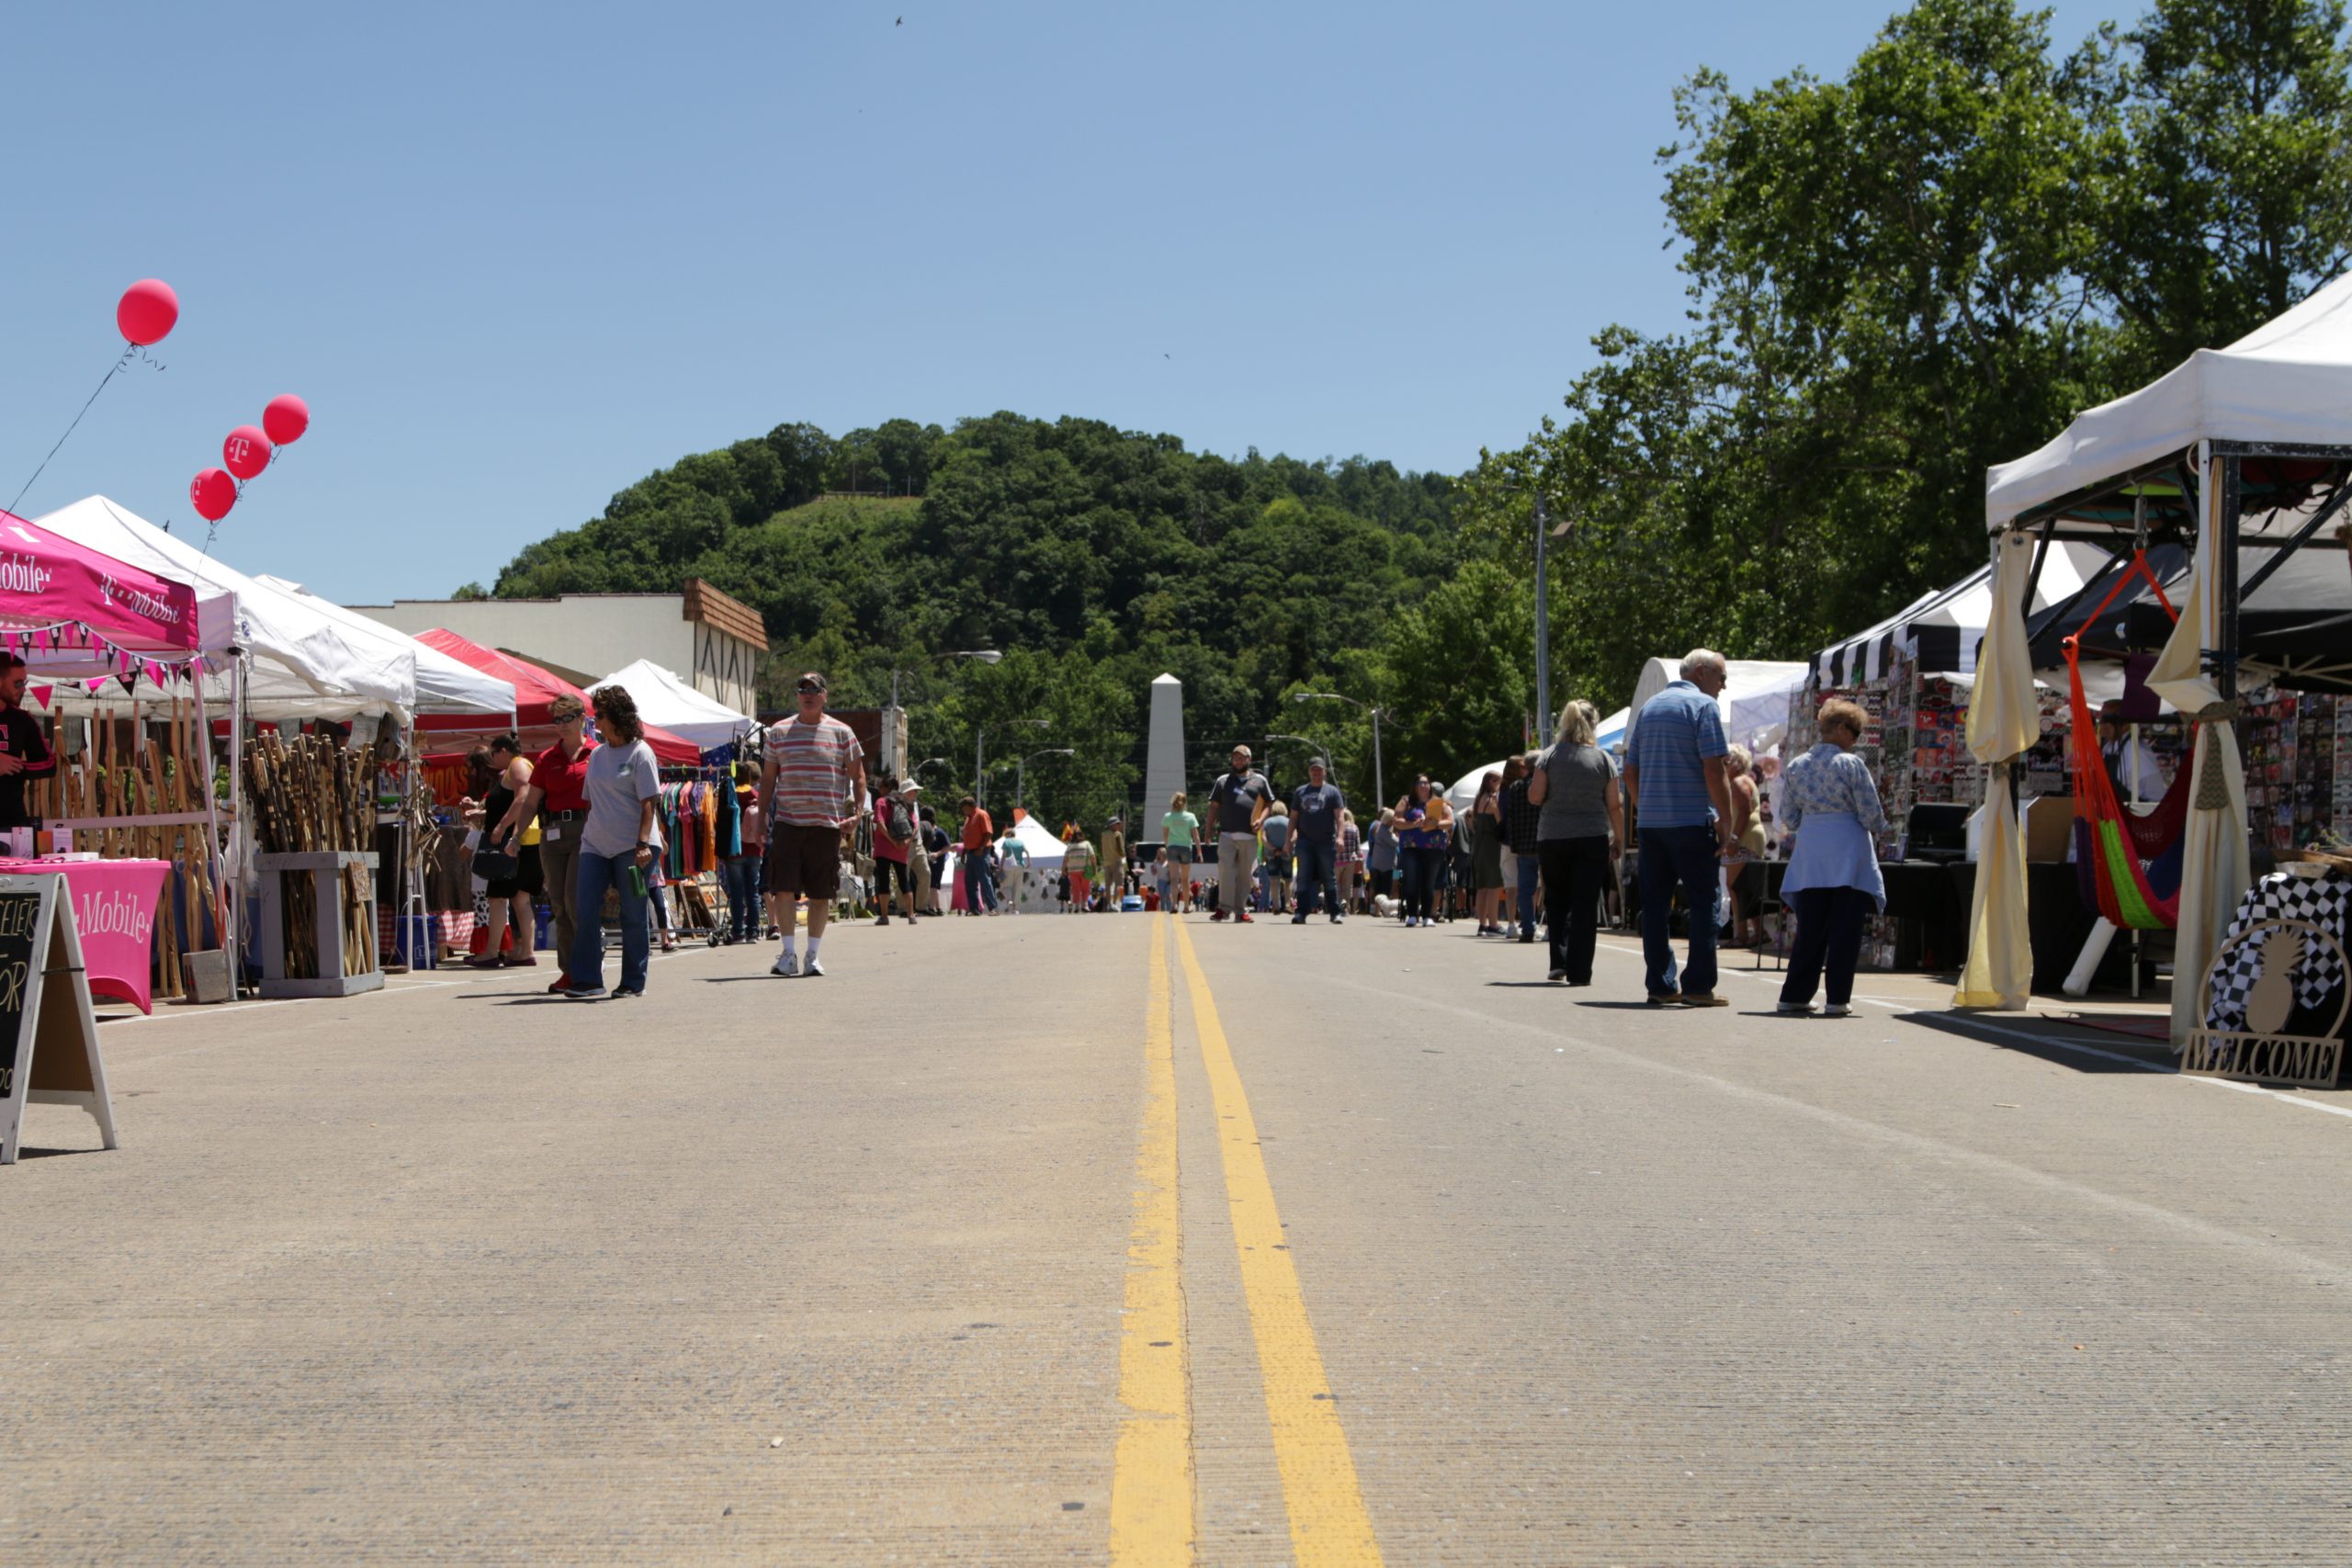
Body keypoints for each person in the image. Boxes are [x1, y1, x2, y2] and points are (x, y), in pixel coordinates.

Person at [1623, 648, 1734, 1008]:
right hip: (1691, 821)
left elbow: (1629, 771)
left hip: (1652, 825)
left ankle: (1661, 984)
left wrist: (1646, 807)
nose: (1723, 686)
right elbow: (1714, 769)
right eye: (1721, 677)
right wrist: (1727, 819)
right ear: (1701, 673)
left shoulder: (1649, 708)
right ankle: (1698, 986)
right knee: (1704, 902)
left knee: (1655, 905)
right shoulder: (1703, 707)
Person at [1776, 698, 1888, 1018]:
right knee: (1844, 929)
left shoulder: (1797, 765)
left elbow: (1790, 818)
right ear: (1840, 729)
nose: (1855, 738)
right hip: (1847, 852)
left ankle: (1795, 994)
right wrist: (1885, 829)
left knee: (1810, 928)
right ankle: (1837, 998)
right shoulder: (1851, 765)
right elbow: (1870, 814)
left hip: (1811, 854)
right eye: (1854, 731)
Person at [759, 671, 866, 976]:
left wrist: (857, 813)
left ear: (824, 695)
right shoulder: (779, 732)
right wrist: (759, 819)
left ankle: (813, 956)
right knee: (783, 888)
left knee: (821, 892)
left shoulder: (842, 732)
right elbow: (767, 779)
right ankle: (788, 953)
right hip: (788, 822)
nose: (807, 694)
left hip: (826, 824)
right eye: (802, 689)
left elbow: (859, 776)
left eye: (814, 690)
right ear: (797, 696)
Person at [560, 685, 661, 1000]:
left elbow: (649, 803)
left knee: (632, 913)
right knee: (585, 908)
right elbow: (591, 802)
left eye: (599, 715)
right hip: (595, 846)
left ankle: (633, 981)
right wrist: (587, 835)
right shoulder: (598, 755)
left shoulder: (640, 753)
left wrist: (643, 844)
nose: (596, 721)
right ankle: (588, 980)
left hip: (633, 849)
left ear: (616, 717)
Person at [497, 693, 596, 993]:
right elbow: (530, 803)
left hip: (586, 831)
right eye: (557, 720)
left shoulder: (597, 754)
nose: (562, 725)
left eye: (568, 718)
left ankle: (586, 967)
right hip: (552, 833)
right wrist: (515, 836)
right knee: (559, 906)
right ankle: (568, 971)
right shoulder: (546, 758)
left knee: (574, 902)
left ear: (582, 719)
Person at [1529, 700, 1623, 986]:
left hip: (1554, 837)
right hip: (1592, 837)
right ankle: (1580, 971)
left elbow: (1535, 795)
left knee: (1557, 899)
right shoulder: (1603, 759)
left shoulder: (1548, 756)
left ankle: (1558, 962)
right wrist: (1618, 838)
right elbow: (1614, 806)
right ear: (1593, 724)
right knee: (1584, 903)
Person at [468, 733, 543, 968]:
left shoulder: (518, 765)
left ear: (503, 751)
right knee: (520, 898)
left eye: (493, 754)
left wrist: (502, 826)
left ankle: (491, 952)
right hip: (523, 840)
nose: (492, 760)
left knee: (498, 897)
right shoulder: (517, 767)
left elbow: (523, 797)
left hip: (515, 842)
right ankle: (525, 953)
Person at [1207, 745, 1272, 923]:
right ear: (1231, 760)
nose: (1239, 761)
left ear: (1249, 760)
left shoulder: (1260, 780)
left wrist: (1261, 820)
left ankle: (1241, 911)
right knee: (1226, 872)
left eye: (1242, 758)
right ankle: (1223, 909)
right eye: (1236, 758)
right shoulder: (1222, 781)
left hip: (1250, 837)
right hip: (1227, 835)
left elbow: (1268, 804)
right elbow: (1214, 806)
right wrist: (1208, 829)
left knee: (1244, 876)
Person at [0, 652, 57, 846]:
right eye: (18, 683)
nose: (23, 689)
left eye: (24, 683)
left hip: (11, 822)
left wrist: (16, 768)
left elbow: (49, 764)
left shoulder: (23, 720)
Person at [1288, 759, 1346, 923]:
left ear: (1325, 771)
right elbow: (1293, 817)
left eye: (1319, 770)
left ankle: (1335, 912)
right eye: (1313, 770)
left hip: (1326, 841)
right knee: (1303, 877)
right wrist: (1288, 840)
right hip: (1305, 841)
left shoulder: (1332, 792)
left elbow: (1340, 816)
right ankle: (1301, 912)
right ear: (1309, 772)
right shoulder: (1300, 792)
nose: (1316, 773)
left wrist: (1340, 837)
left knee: (1328, 877)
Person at [1392, 777, 1453, 927]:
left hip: (1434, 847)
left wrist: (1436, 824)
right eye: (1420, 783)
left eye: (1426, 783)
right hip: (1410, 846)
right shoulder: (1406, 801)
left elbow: (1450, 821)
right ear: (1414, 786)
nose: (1423, 785)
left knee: (1429, 882)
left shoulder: (1438, 802)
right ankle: (1412, 914)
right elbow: (1396, 821)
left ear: (1430, 786)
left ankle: (1427, 915)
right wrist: (1413, 824)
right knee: (1411, 879)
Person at [1723, 743, 1766, 949]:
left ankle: (1742, 934)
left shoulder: (1738, 782)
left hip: (1744, 838)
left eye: (1726, 761)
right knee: (1747, 888)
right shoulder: (1745, 780)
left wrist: (1733, 838)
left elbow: (1744, 810)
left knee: (1736, 887)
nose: (1723, 764)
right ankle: (1757, 932)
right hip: (1750, 837)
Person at [722, 759, 765, 944]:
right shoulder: (757, 793)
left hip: (735, 849)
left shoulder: (731, 795)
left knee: (737, 892)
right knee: (753, 891)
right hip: (755, 848)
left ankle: (738, 932)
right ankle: (753, 932)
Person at [1500, 754, 1542, 942]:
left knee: (1525, 890)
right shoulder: (1545, 785)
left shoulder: (1516, 787)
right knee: (1550, 887)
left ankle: (1527, 928)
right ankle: (1550, 928)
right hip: (1544, 843)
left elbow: (1512, 820)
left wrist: (1515, 845)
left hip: (1524, 845)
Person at [871, 772, 921, 927]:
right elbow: (915, 825)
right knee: (904, 881)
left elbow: (879, 823)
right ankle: (911, 915)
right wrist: (905, 841)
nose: (879, 789)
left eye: (881, 786)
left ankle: (884, 917)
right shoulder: (905, 803)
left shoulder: (881, 802)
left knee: (884, 881)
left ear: (887, 787)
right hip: (902, 849)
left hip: (883, 848)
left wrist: (891, 840)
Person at [2096, 699, 2166, 802]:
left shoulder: (2137, 752)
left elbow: (2157, 796)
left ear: (2122, 723)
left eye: (2106, 720)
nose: (2101, 724)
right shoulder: (2108, 748)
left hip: (2133, 815)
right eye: (2101, 719)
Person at [1469, 771, 1507, 934]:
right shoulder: (1493, 800)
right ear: (1492, 781)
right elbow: (1500, 822)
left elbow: (1472, 821)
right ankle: (1493, 924)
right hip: (1493, 844)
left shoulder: (1479, 800)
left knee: (1482, 886)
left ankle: (1482, 924)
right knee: (1494, 886)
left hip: (1479, 844)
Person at [956, 796, 997, 915]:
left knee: (984, 880)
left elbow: (988, 833)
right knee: (970, 882)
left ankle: (992, 908)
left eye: (963, 808)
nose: (963, 811)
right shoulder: (968, 818)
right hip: (970, 852)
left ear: (969, 806)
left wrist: (981, 848)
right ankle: (974, 909)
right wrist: (964, 852)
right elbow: (966, 837)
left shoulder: (981, 815)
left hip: (980, 852)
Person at [1161, 791, 1200, 912]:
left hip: (1172, 847)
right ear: (1184, 803)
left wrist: (1168, 848)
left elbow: (1165, 836)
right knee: (1185, 879)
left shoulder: (1168, 816)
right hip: (1186, 848)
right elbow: (1196, 836)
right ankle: (1187, 907)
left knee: (1173, 878)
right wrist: (1200, 851)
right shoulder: (1190, 816)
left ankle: (1174, 905)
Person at [1259, 801, 1292, 913]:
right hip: (1286, 854)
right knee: (1288, 880)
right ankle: (1288, 905)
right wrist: (1284, 847)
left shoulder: (1267, 822)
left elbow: (1263, 839)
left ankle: (1276, 907)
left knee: (1274, 880)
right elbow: (1295, 836)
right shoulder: (1289, 822)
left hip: (1271, 855)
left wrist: (1273, 849)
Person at [919, 805, 949, 916]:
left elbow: (948, 846)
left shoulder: (939, 832)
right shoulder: (922, 830)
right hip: (925, 860)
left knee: (934, 884)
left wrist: (937, 854)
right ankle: (938, 907)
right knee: (930, 884)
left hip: (937, 862)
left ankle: (931, 908)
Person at [1366, 808, 1399, 905]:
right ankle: (1380, 907)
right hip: (1385, 864)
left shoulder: (1380, 827)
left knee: (1377, 885)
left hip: (1378, 862)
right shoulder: (1384, 830)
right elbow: (1395, 842)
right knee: (1385, 887)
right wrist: (1398, 837)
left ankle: (1376, 907)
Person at [997, 821, 1030, 912]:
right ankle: (1016, 908)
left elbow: (1004, 856)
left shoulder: (1006, 842)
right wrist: (1029, 862)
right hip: (1020, 866)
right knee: (1018, 886)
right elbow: (1027, 852)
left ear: (1010, 834)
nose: (1005, 836)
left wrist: (1000, 867)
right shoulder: (1020, 842)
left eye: (1006, 834)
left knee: (1005, 886)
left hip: (1009, 866)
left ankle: (1010, 901)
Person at [1061, 824, 1095, 910]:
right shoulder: (1087, 843)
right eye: (1079, 834)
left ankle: (1077, 907)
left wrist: (1063, 869)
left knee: (1077, 889)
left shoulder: (1070, 846)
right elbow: (1092, 856)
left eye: (1080, 834)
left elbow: (1065, 859)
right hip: (1085, 870)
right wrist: (1094, 868)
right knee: (1085, 888)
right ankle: (1084, 905)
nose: (1080, 836)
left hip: (1074, 871)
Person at [1337, 808, 1363, 914]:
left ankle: (1337, 907)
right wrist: (1360, 860)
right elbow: (1358, 847)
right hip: (1350, 860)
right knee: (1348, 886)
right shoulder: (1354, 827)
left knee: (1336, 885)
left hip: (1337, 859)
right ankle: (1346, 907)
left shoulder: (1336, 826)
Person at [1100, 817, 1127, 907]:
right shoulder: (1117, 834)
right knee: (1118, 884)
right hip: (1117, 861)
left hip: (1106, 862)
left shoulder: (1103, 835)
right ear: (1112, 825)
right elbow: (1121, 850)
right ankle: (1115, 903)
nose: (1119, 825)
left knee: (1108, 885)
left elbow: (1102, 849)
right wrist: (1126, 867)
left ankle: (1109, 904)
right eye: (1118, 824)